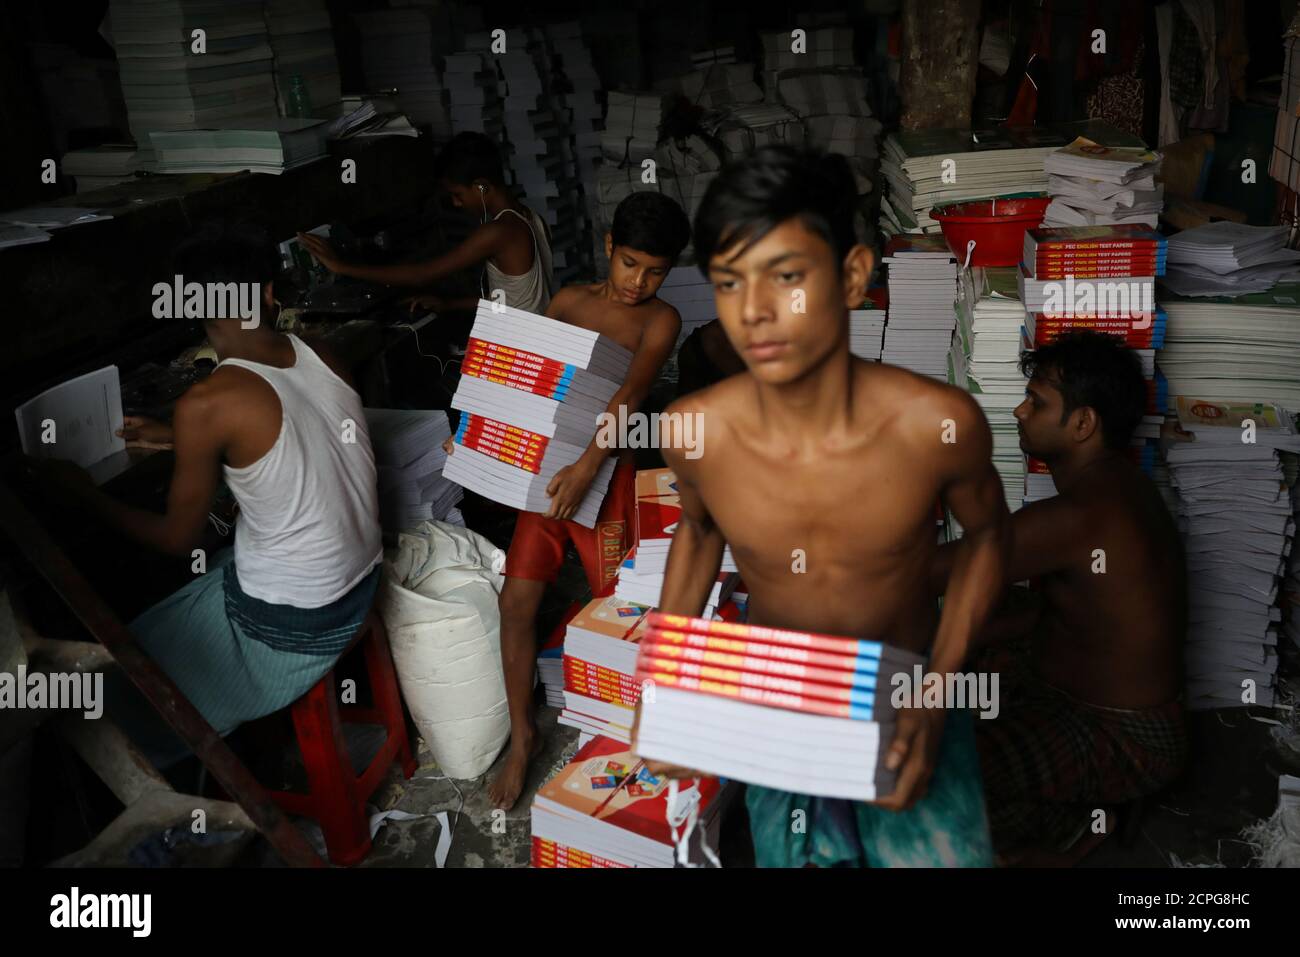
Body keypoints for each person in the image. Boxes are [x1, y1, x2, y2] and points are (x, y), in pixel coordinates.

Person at [633, 146, 1010, 867]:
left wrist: (937, 691)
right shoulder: (695, 431)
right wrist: (665, 679)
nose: (754, 312)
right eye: (728, 282)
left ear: (852, 276)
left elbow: (991, 537)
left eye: (786, 276)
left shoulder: (936, 425)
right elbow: (699, 530)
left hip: (907, 690)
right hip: (780, 701)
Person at [34, 221, 383, 765]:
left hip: (302, 620)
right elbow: (289, 437)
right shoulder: (321, 353)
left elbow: (177, 540)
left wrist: (85, 494)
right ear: (269, 294)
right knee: (205, 578)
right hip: (361, 582)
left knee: (116, 680)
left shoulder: (208, 403)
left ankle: (145, 766)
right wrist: (178, 438)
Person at [445, 191, 691, 809]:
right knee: (517, 600)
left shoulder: (660, 322)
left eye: (655, 270)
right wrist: (476, 439)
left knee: (621, 613)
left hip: (605, 480)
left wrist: (588, 466)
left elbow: (630, 395)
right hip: (545, 480)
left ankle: (626, 733)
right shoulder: (569, 302)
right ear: (609, 246)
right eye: (630, 263)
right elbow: (523, 384)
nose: (639, 281)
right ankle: (524, 736)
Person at [930, 330, 1188, 860]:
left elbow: (931, 573)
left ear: (1083, 423)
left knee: (929, 777)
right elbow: (1060, 612)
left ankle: (1067, 832)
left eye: (1038, 402)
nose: (1021, 411)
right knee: (954, 649)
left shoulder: (1081, 517)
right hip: (1075, 688)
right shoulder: (1114, 487)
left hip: (1124, 739)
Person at [298, 131, 554, 315]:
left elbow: (422, 274)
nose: (456, 203)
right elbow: (513, 302)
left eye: (458, 194)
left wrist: (341, 267)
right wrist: (449, 305)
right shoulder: (530, 217)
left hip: (521, 350)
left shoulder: (498, 232)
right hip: (534, 340)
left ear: (481, 187)